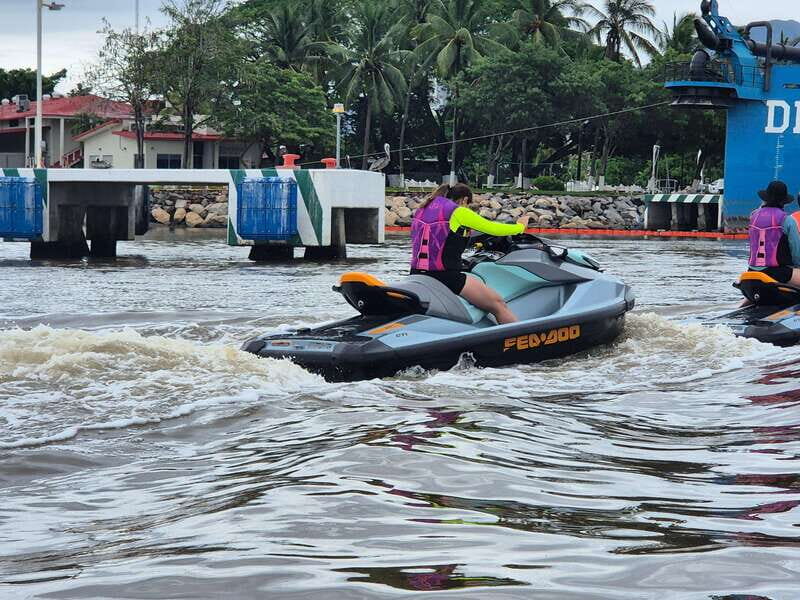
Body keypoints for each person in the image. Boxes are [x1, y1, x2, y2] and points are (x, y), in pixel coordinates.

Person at [410, 182, 529, 324]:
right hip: (446, 277)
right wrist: (520, 227)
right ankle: (515, 342)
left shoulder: (422, 209)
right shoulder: (459, 211)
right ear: (465, 200)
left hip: (416, 273)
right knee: (498, 305)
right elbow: (492, 228)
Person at [748, 180, 800, 285]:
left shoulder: (753, 216)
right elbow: (796, 253)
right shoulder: (787, 220)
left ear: (765, 198)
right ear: (784, 201)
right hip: (777, 272)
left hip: (751, 271)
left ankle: (745, 301)